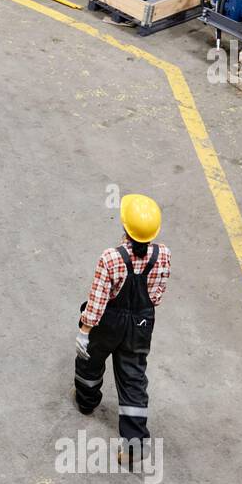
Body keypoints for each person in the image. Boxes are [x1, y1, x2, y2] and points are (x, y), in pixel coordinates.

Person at [73, 194, 171, 462]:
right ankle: (135, 445)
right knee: (133, 380)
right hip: (140, 325)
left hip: (108, 323)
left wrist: (84, 332)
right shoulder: (163, 255)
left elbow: (96, 302)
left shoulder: (111, 259)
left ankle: (87, 401)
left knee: (90, 361)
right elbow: (157, 297)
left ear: (126, 228)